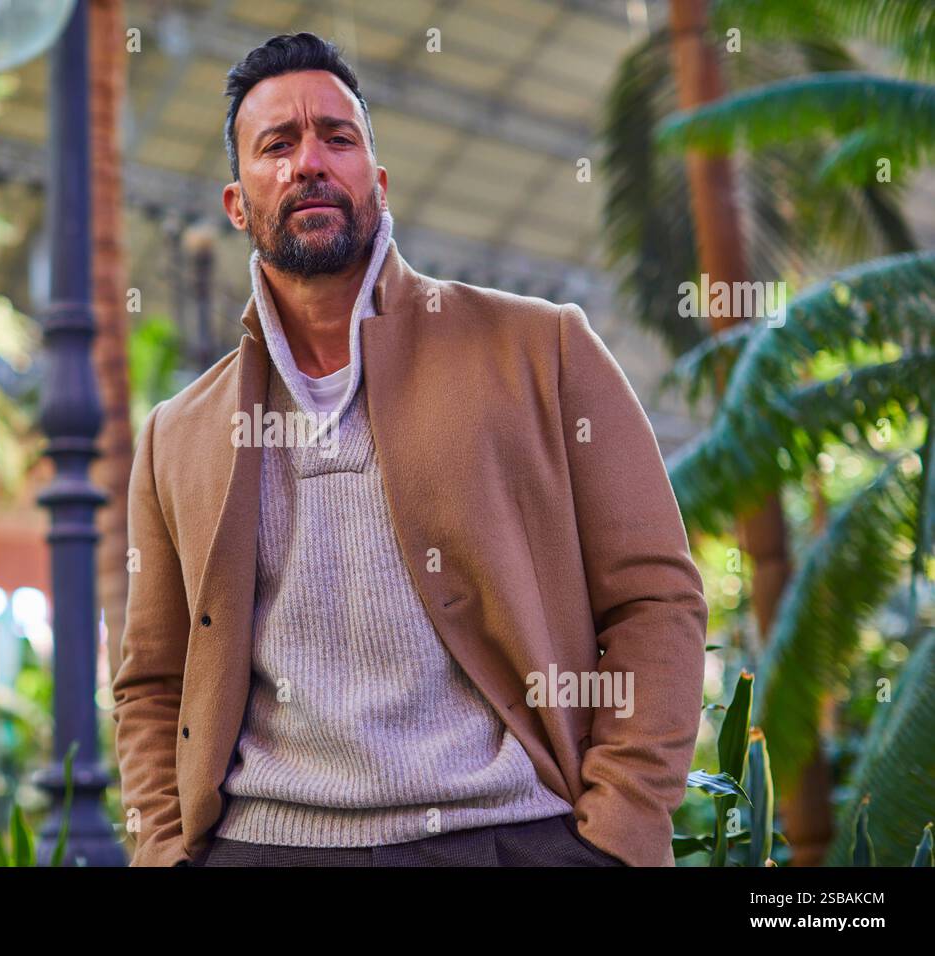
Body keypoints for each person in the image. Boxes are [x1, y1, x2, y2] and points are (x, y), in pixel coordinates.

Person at [111, 31, 708, 867]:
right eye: (276, 145)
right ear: (238, 204)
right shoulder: (178, 434)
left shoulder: (543, 349)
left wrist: (620, 829)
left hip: (507, 839)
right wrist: (167, 850)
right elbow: (150, 681)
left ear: (378, 183)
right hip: (264, 845)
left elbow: (656, 602)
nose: (309, 162)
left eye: (337, 137)